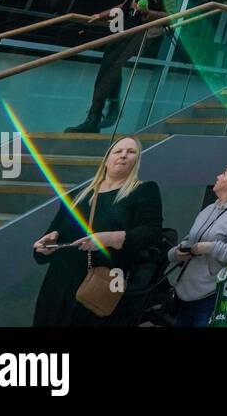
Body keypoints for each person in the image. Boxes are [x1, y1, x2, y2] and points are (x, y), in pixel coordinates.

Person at [32, 136, 164, 326]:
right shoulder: (77, 195)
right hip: (58, 286)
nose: (124, 155)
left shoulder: (143, 190)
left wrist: (111, 238)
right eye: (118, 151)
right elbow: (49, 238)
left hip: (102, 284)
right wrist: (43, 246)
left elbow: (152, 233)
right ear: (107, 159)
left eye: (131, 152)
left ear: (137, 160)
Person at [67, 0, 179, 133]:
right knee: (107, 69)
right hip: (124, 27)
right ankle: (103, 112)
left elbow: (172, 16)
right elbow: (123, 6)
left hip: (142, 31)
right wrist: (101, 15)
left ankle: (97, 116)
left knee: (112, 68)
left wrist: (148, 13)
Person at [168, 162, 227, 326]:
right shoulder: (208, 209)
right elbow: (190, 239)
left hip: (209, 295)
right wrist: (176, 253)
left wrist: (208, 247)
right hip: (183, 292)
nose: (218, 176)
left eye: (224, 173)